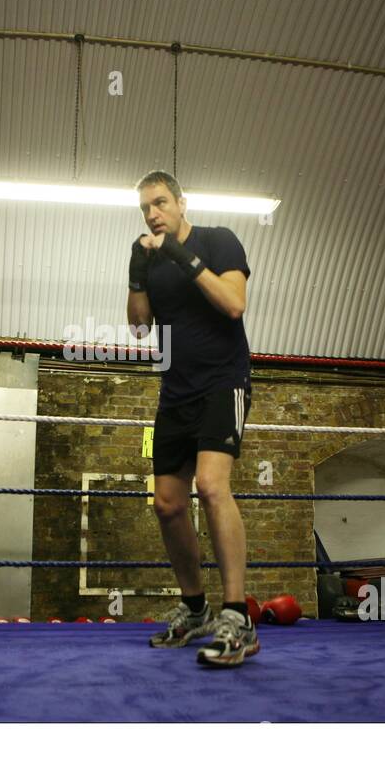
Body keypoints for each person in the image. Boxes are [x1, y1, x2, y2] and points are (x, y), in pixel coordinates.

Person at [126, 170, 259, 667]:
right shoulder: (152, 257)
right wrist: (138, 273)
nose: (153, 214)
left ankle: (237, 615)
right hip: (175, 390)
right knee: (166, 503)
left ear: (182, 203)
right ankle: (196, 606)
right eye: (145, 208)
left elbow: (233, 304)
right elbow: (139, 326)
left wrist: (184, 258)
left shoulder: (219, 241)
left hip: (224, 382)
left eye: (159, 203)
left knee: (211, 484)